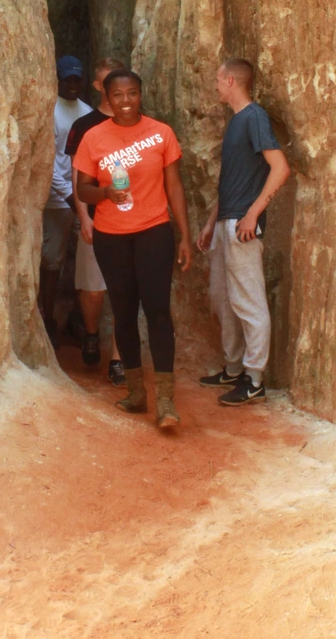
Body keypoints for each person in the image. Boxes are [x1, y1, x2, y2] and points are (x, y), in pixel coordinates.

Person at [73, 69, 192, 428]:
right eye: (118, 95)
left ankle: (166, 403)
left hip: (154, 232)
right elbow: (83, 190)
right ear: (107, 99)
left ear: (141, 95)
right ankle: (137, 393)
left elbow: (174, 188)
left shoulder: (161, 134)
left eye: (133, 93)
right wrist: (106, 193)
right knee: (123, 312)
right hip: (112, 236)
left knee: (157, 312)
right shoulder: (93, 138)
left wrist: (184, 234)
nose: (126, 101)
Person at [196, 58, 290, 406]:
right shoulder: (236, 122)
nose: (215, 85)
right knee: (223, 298)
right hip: (227, 224)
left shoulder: (253, 118)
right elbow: (231, 181)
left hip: (242, 226)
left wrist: (252, 214)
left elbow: (280, 168)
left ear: (231, 80)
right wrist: (211, 223)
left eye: (218, 80)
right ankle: (234, 368)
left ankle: (254, 380)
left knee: (249, 302)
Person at [65, 57, 127, 385]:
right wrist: (84, 218)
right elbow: (77, 178)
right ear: (97, 85)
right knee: (93, 291)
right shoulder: (84, 126)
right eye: (107, 82)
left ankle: (117, 359)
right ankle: (91, 332)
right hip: (95, 216)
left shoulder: (136, 124)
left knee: (122, 291)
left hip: (128, 221)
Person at [40, 55, 91, 346]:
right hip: (56, 200)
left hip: (80, 199)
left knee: (84, 262)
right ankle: (48, 320)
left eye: (76, 79)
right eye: (66, 79)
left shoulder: (86, 112)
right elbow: (45, 162)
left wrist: (82, 199)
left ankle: (78, 318)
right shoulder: (49, 111)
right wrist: (70, 196)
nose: (72, 84)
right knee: (52, 262)